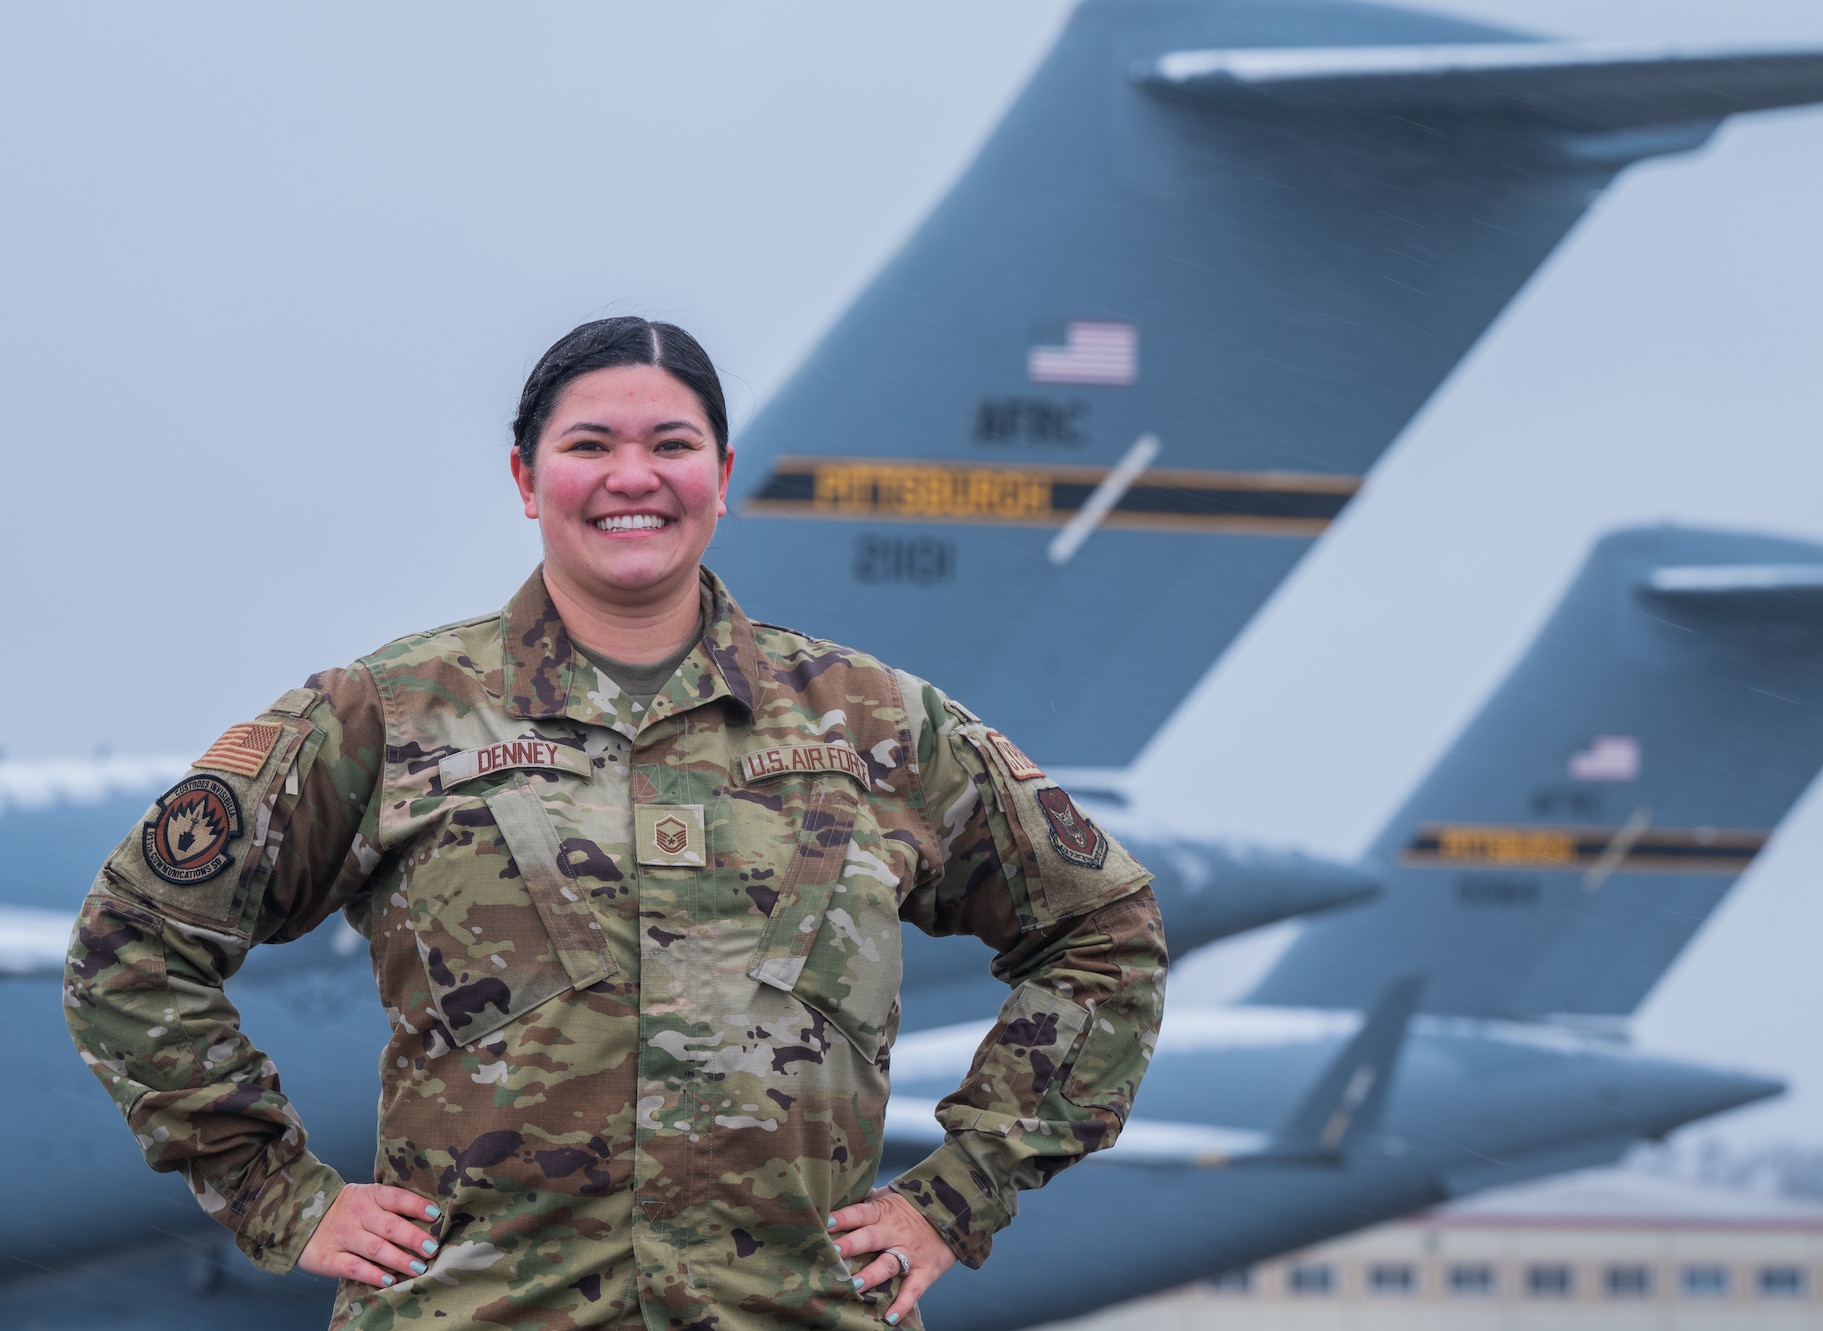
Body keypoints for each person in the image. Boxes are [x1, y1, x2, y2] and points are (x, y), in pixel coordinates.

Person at [62, 317, 1168, 1329]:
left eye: (672, 445)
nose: (631, 477)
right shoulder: (390, 714)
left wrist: (959, 1191)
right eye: (589, 444)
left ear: (721, 477)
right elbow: (131, 944)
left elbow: (1104, 928)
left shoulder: (872, 724)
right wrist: (278, 1194)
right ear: (525, 477)